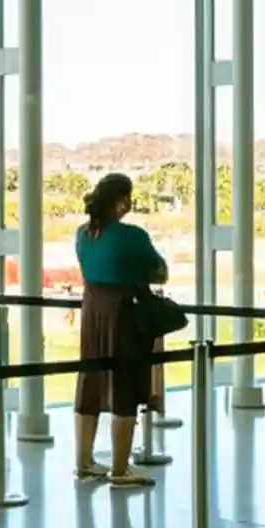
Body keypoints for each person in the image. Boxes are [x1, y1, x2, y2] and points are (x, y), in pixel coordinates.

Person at [73, 172, 168, 489]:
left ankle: (84, 461)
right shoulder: (132, 236)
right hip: (123, 311)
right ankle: (119, 468)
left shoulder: (83, 234)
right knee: (125, 384)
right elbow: (160, 272)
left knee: (90, 382)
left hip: (92, 310)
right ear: (123, 200)